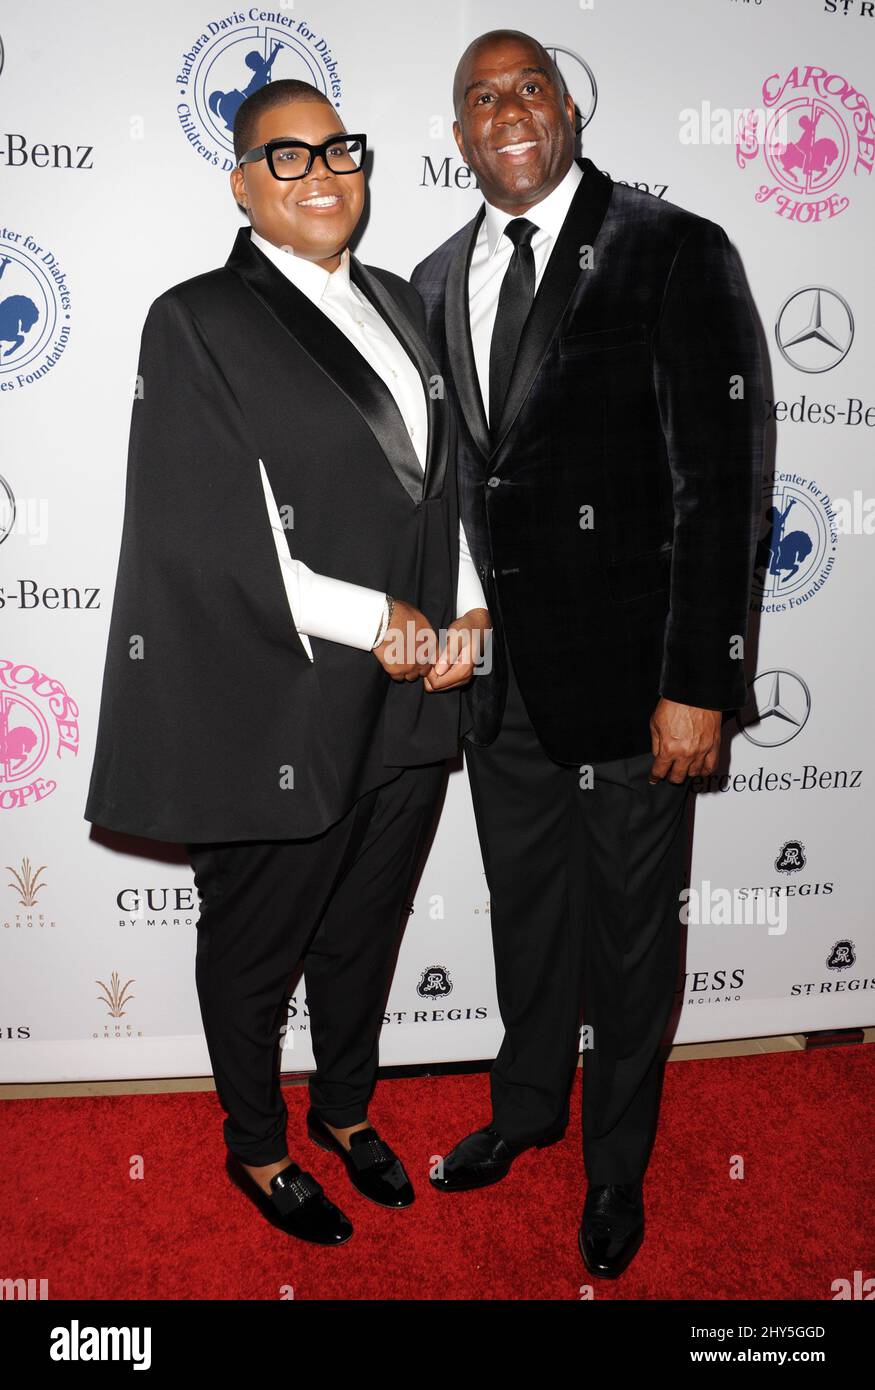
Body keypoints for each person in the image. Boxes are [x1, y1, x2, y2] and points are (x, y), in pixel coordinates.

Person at [84, 78, 489, 1245]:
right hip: (280, 699)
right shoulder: (198, 319)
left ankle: (349, 1110)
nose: (320, 173)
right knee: (259, 945)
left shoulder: (407, 306)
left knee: (366, 925)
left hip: (413, 699)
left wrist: (463, 612)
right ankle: (256, 1143)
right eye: (286, 155)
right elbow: (213, 532)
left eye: (337, 150)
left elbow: (441, 492)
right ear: (241, 182)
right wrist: (382, 621)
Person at [412, 30, 765, 1278]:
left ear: (568, 108)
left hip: (633, 690)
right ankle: (522, 1113)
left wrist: (696, 682)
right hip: (499, 691)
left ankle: (613, 1170)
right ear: (456, 134)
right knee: (527, 921)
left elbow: (718, 488)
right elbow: (456, 487)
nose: (505, 111)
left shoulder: (671, 249)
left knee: (627, 938)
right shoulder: (432, 274)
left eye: (527, 89)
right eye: (478, 99)